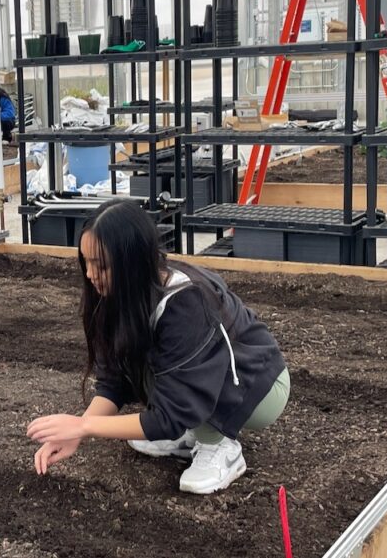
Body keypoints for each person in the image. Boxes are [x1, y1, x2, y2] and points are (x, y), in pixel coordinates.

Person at [26, 200, 290, 494]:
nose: (89, 274)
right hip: (214, 384)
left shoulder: (185, 304)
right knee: (151, 366)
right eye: (85, 261)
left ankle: (219, 446)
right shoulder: (121, 292)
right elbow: (113, 382)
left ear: (132, 261)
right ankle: (191, 431)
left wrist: (84, 426)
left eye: (100, 265)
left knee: (172, 376)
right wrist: (78, 430)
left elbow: (173, 410)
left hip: (259, 388)